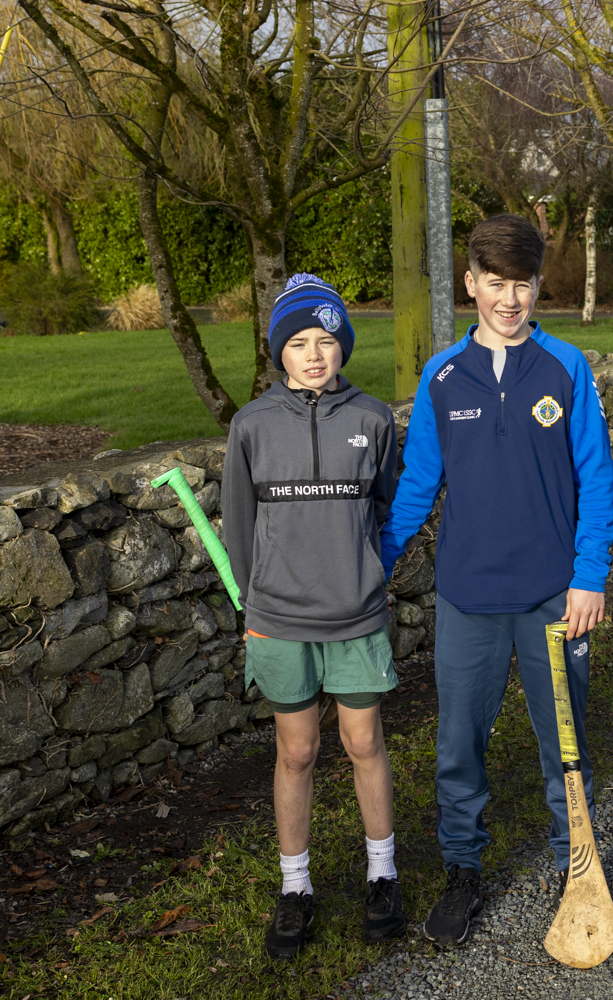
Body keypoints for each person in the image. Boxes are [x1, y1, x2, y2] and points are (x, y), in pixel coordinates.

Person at [379, 213, 613, 948]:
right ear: (470, 283)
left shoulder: (566, 368)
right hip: (469, 599)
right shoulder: (443, 376)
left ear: (538, 283)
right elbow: (418, 482)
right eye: (494, 283)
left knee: (564, 746)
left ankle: (575, 868)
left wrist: (589, 577)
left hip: (553, 598)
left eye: (522, 283)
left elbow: (597, 480)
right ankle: (462, 871)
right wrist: (371, 566)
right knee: (458, 746)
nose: (509, 299)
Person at [222, 273, 405, 961]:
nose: (314, 354)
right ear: (280, 352)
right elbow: (240, 527)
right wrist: (254, 602)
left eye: (327, 340)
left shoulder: (373, 420)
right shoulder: (251, 426)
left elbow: (383, 508)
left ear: (342, 348)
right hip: (279, 618)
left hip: (354, 614)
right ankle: (294, 886)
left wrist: (367, 571)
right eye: (298, 342)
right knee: (296, 751)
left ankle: (381, 873)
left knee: (363, 744)